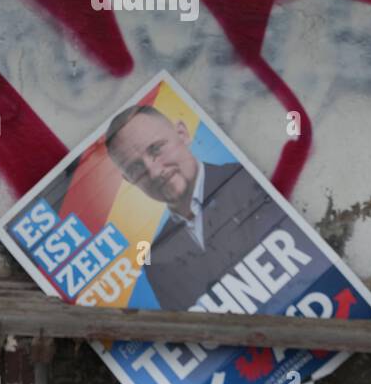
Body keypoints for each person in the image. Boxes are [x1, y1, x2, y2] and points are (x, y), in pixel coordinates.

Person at [104, 103, 282, 311]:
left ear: (183, 134)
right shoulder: (156, 262)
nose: (153, 172)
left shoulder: (251, 181)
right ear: (128, 180)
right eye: (136, 167)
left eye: (156, 149)